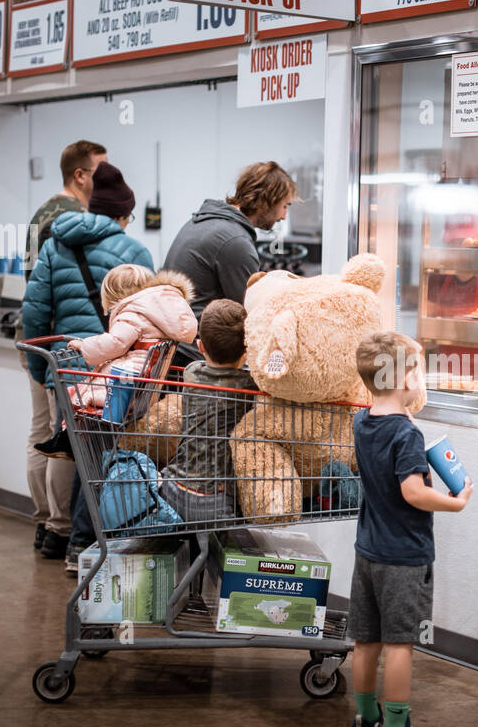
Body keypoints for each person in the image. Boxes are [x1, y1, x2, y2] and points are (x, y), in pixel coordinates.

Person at [346, 331, 473, 727]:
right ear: (404, 381)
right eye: (417, 370)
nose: (422, 378)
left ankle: (366, 722)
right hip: (403, 555)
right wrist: (454, 503)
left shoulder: (363, 421)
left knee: (365, 642)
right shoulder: (406, 435)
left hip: (368, 551)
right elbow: (413, 492)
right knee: (400, 644)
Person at [21, 161, 153, 569]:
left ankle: (56, 533)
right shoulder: (134, 252)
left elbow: (34, 312)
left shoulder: (54, 243)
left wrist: (41, 368)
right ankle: (89, 542)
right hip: (114, 374)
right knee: (100, 457)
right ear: (123, 215)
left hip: (67, 364)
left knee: (64, 447)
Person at [22, 140, 108, 556]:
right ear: (81, 174)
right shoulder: (75, 220)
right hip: (65, 347)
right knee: (64, 438)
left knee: (41, 434)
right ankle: (59, 528)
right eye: (101, 172)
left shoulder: (40, 214)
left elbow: (32, 292)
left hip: (36, 342)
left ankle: (43, 521)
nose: (106, 181)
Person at [33, 264, 197, 457]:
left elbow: (113, 343)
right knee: (85, 391)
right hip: (140, 383)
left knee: (80, 393)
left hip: (125, 385)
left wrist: (84, 346)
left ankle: (68, 443)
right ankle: (67, 441)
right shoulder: (153, 316)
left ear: (113, 296)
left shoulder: (131, 315)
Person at [164, 161, 297, 364]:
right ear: (267, 200)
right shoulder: (234, 241)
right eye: (284, 206)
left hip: (176, 346)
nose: (284, 216)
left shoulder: (206, 221)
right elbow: (251, 312)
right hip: (197, 357)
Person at [157, 299, 259, 524]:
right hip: (218, 500)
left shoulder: (191, 373)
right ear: (246, 349)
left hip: (174, 489)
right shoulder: (250, 387)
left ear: (200, 346)